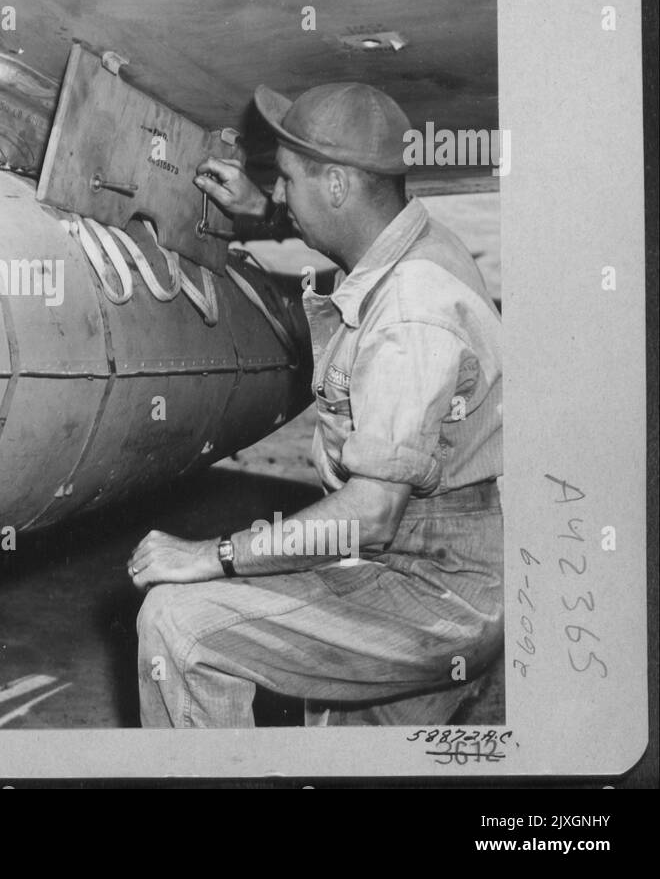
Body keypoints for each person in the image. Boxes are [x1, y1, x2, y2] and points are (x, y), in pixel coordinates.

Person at [131, 82, 503, 728]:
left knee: (181, 622)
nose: (277, 193)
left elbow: (369, 516)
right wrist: (266, 214)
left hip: (433, 592)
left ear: (336, 185)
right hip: (444, 561)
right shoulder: (415, 244)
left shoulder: (410, 317)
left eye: (288, 181)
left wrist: (212, 555)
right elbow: (351, 227)